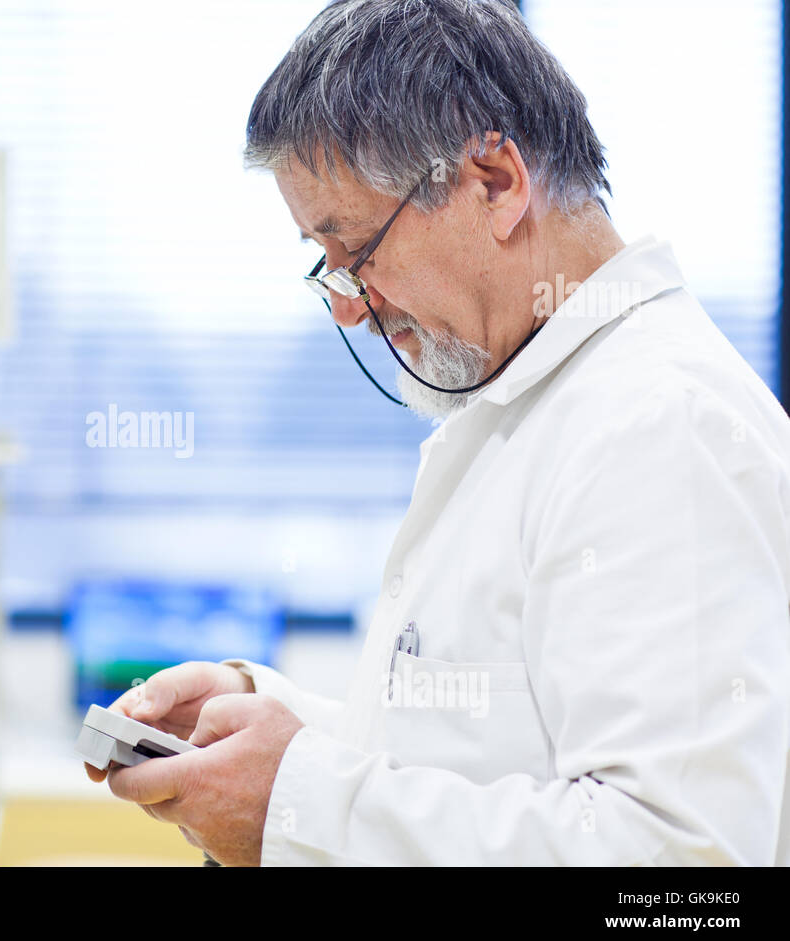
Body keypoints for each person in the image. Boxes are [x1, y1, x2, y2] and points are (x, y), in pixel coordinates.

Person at [84, 0, 790, 866]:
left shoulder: (661, 428)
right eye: (324, 262)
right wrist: (271, 731)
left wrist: (299, 802)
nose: (346, 306)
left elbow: (680, 867)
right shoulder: (530, 405)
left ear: (495, 181)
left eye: (354, 248)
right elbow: (490, 759)